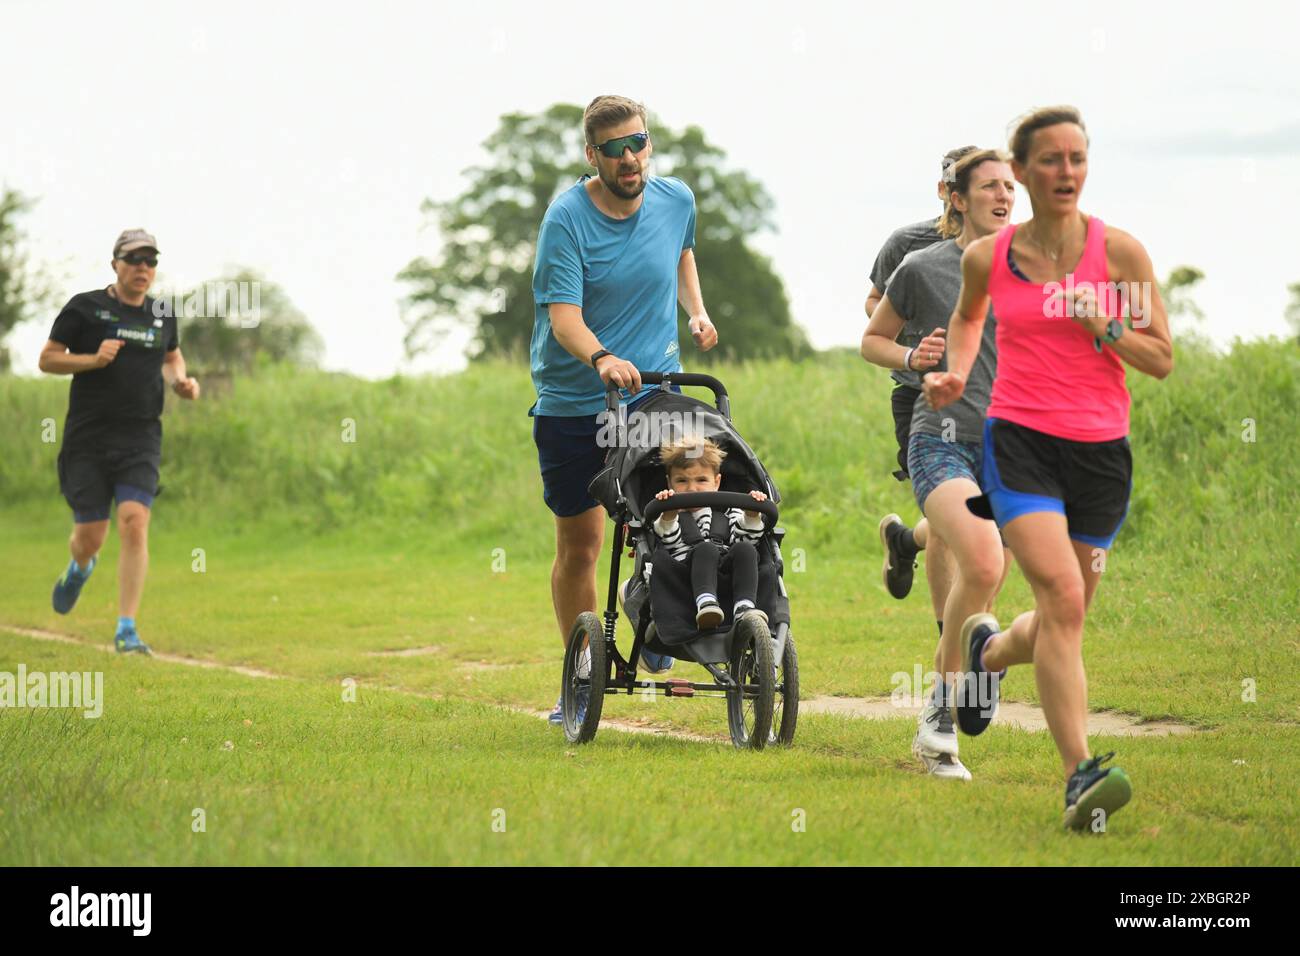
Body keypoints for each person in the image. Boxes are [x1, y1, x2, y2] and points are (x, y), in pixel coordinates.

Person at [924, 107, 1173, 828]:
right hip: (1020, 443)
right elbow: (970, 318)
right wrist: (955, 374)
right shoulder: (989, 259)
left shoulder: (1120, 254)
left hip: (1101, 453)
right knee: (1061, 594)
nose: (1067, 172)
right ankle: (1080, 776)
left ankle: (990, 652)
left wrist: (1108, 324)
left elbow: (1160, 358)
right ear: (1025, 171)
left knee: (1068, 614)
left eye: (1078, 158)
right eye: (1052, 160)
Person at [529, 95, 718, 724]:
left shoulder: (676, 199)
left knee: (674, 509)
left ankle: (656, 617)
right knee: (582, 546)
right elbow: (564, 320)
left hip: (649, 393)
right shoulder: (566, 219)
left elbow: (682, 251)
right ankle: (578, 677)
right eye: (613, 149)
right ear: (592, 156)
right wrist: (602, 357)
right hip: (575, 401)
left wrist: (696, 309)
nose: (629, 157)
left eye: (637, 143)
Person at [39, 229, 200, 654]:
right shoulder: (85, 308)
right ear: (116, 264)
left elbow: (171, 356)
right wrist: (92, 359)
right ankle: (80, 566)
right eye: (135, 260)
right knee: (91, 536)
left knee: (134, 522)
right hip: (88, 440)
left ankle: (126, 629)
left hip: (140, 436)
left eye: (151, 261)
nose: (143, 268)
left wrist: (181, 382)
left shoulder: (162, 313)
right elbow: (47, 357)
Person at [867, 146, 976, 633]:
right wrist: (915, 350)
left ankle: (906, 541)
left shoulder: (1009, 252)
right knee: (953, 523)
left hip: (985, 400)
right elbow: (876, 304)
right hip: (919, 394)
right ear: (946, 191)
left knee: (977, 517)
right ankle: (948, 640)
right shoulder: (908, 244)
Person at [650, 436, 768, 631]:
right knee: (705, 549)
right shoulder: (672, 515)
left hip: (729, 577)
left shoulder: (729, 512)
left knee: (746, 549)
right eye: (681, 481)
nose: (692, 489)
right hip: (684, 581)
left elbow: (747, 538)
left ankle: (744, 607)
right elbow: (668, 541)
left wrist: (752, 515)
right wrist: (668, 514)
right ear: (669, 483)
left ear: (716, 482)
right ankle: (706, 603)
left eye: (701, 480)